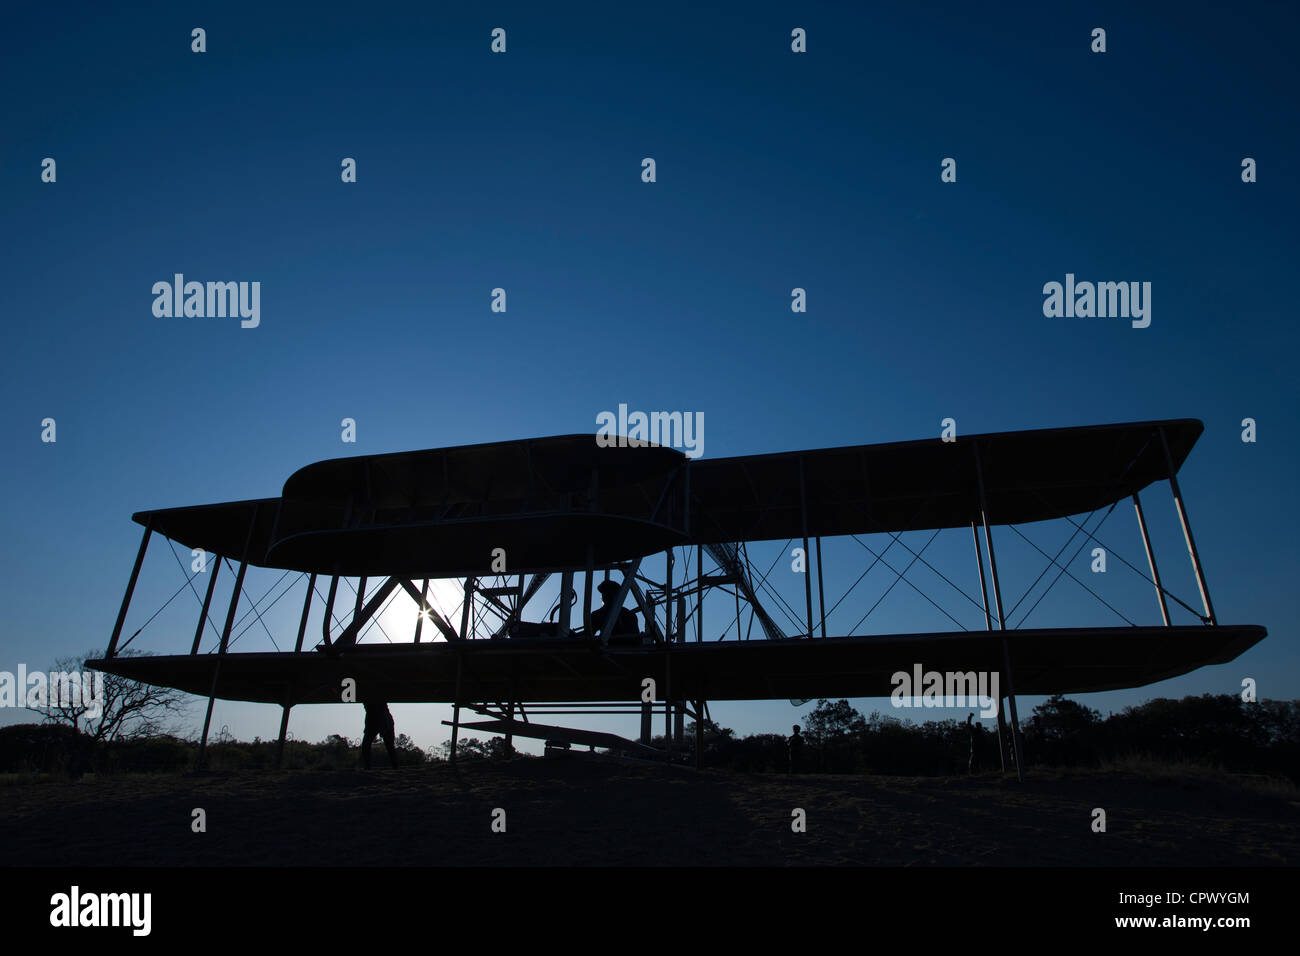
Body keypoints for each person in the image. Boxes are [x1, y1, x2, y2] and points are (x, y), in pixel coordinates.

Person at [362, 699, 398, 769]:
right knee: (366, 745)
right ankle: (367, 766)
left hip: (383, 718)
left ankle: (395, 766)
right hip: (374, 718)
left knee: (389, 745)